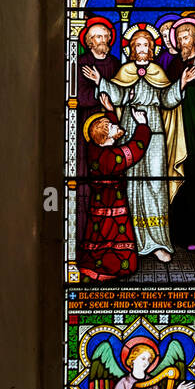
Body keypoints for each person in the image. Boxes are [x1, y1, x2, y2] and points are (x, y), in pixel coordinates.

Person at [84, 25, 195, 264]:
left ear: (152, 49)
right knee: (132, 186)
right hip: (129, 131)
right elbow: (118, 96)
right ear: (132, 50)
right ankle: (134, 240)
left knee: (156, 186)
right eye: (138, 45)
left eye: (146, 45)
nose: (142, 49)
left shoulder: (157, 71)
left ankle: (157, 243)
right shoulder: (126, 71)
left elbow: (167, 100)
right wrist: (100, 81)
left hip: (154, 134)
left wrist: (181, 84)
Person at [77, 100, 151, 282]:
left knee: (98, 236)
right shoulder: (111, 158)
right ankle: (111, 268)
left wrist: (110, 111)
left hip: (99, 203)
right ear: (104, 134)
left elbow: (108, 132)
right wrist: (142, 126)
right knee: (111, 235)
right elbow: (135, 150)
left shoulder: (95, 149)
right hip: (112, 203)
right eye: (111, 126)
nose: (115, 126)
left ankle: (98, 265)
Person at [75, 16, 119, 247]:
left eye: (105, 36)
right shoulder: (81, 62)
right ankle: (83, 238)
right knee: (86, 181)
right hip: (86, 132)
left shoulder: (115, 62)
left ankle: (113, 235)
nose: (102, 40)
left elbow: (121, 92)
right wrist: (104, 96)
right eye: (97, 37)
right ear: (89, 42)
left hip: (113, 127)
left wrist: (106, 89)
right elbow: (80, 96)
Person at [167, 17, 195, 253]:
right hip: (177, 129)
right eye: (180, 38)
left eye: (187, 36)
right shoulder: (174, 64)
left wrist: (186, 86)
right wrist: (179, 84)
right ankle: (178, 234)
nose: (184, 41)